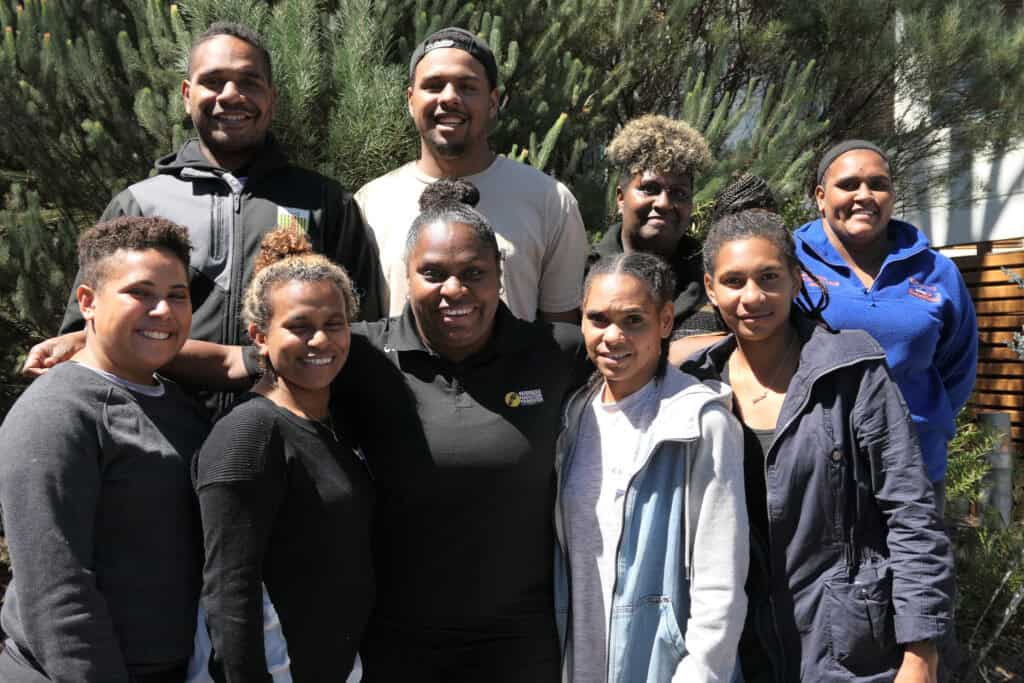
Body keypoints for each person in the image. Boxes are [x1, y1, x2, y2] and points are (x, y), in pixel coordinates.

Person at [22, 21, 386, 407]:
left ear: (272, 98)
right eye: (214, 81)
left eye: (250, 82)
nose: (232, 95)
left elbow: (360, 327)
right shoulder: (139, 205)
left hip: (287, 429)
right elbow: (87, 335)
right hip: (157, 433)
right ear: (186, 94)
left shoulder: (325, 202)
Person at [683, 202, 955, 681]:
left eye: (769, 277)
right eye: (733, 281)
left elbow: (911, 511)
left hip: (850, 649)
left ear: (796, 278)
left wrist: (920, 652)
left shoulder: (852, 370)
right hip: (739, 652)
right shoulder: (695, 387)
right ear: (710, 288)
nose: (753, 296)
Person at [330, 179, 587, 681]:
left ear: (499, 275)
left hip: (519, 640)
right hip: (397, 639)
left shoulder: (556, 353)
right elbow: (258, 357)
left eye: (474, 273)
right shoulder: (359, 355)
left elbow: (643, 354)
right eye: (433, 274)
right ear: (407, 275)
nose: (455, 290)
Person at [0, 217, 208, 682]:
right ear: (88, 303)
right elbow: (56, 587)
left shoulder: (177, 404)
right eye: (140, 293)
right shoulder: (58, 411)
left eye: (177, 295)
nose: (164, 312)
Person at [554, 251, 747, 682]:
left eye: (633, 320)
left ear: (664, 321)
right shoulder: (571, 417)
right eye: (598, 319)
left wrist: (699, 674)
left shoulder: (700, 422)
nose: (613, 336)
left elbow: (721, 582)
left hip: (661, 668)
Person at [194, 227, 373, 682]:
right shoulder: (249, 435)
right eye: (298, 326)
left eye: (334, 324)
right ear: (259, 335)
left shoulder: (336, 422)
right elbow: (230, 592)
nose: (320, 341)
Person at [354, 26, 588, 323]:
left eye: (467, 87)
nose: (449, 98)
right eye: (434, 85)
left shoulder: (550, 202)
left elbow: (562, 334)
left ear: (492, 102)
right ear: (411, 100)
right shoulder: (370, 204)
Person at [793, 139, 978, 514]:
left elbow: (957, 367)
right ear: (820, 196)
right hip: (814, 469)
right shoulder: (789, 262)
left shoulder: (937, 272)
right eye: (848, 185)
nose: (864, 195)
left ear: (892, 195)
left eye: (878, 184)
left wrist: (914, 421)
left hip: (914, 471)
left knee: (917, 571)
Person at [591, 114, 722, 348]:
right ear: (620, 198)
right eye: (650, 188)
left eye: (678, 193)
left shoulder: (715, 279)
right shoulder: (582, 275)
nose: (663, 203)